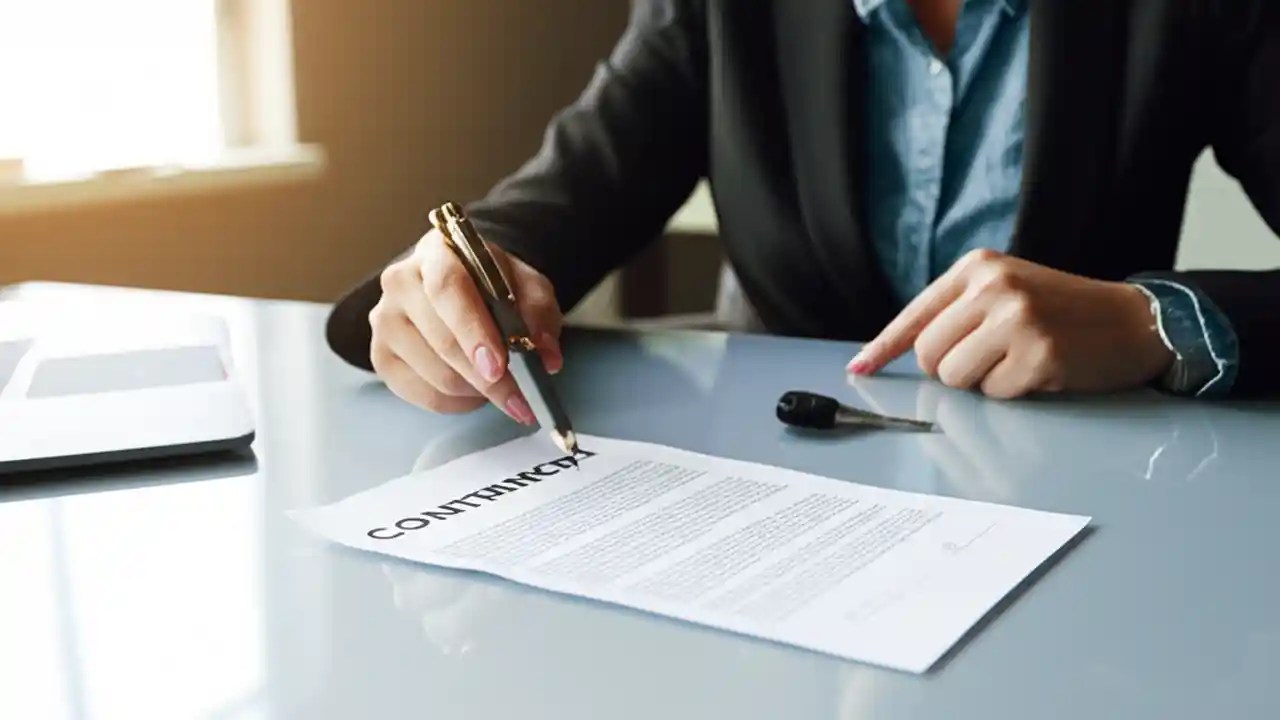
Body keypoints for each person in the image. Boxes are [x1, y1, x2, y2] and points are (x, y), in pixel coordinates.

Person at [327, 0, 1280, 425]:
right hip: (774, 500)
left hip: (1089, 501)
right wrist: (465, 271)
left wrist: (1154, 321)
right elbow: (571, 190)